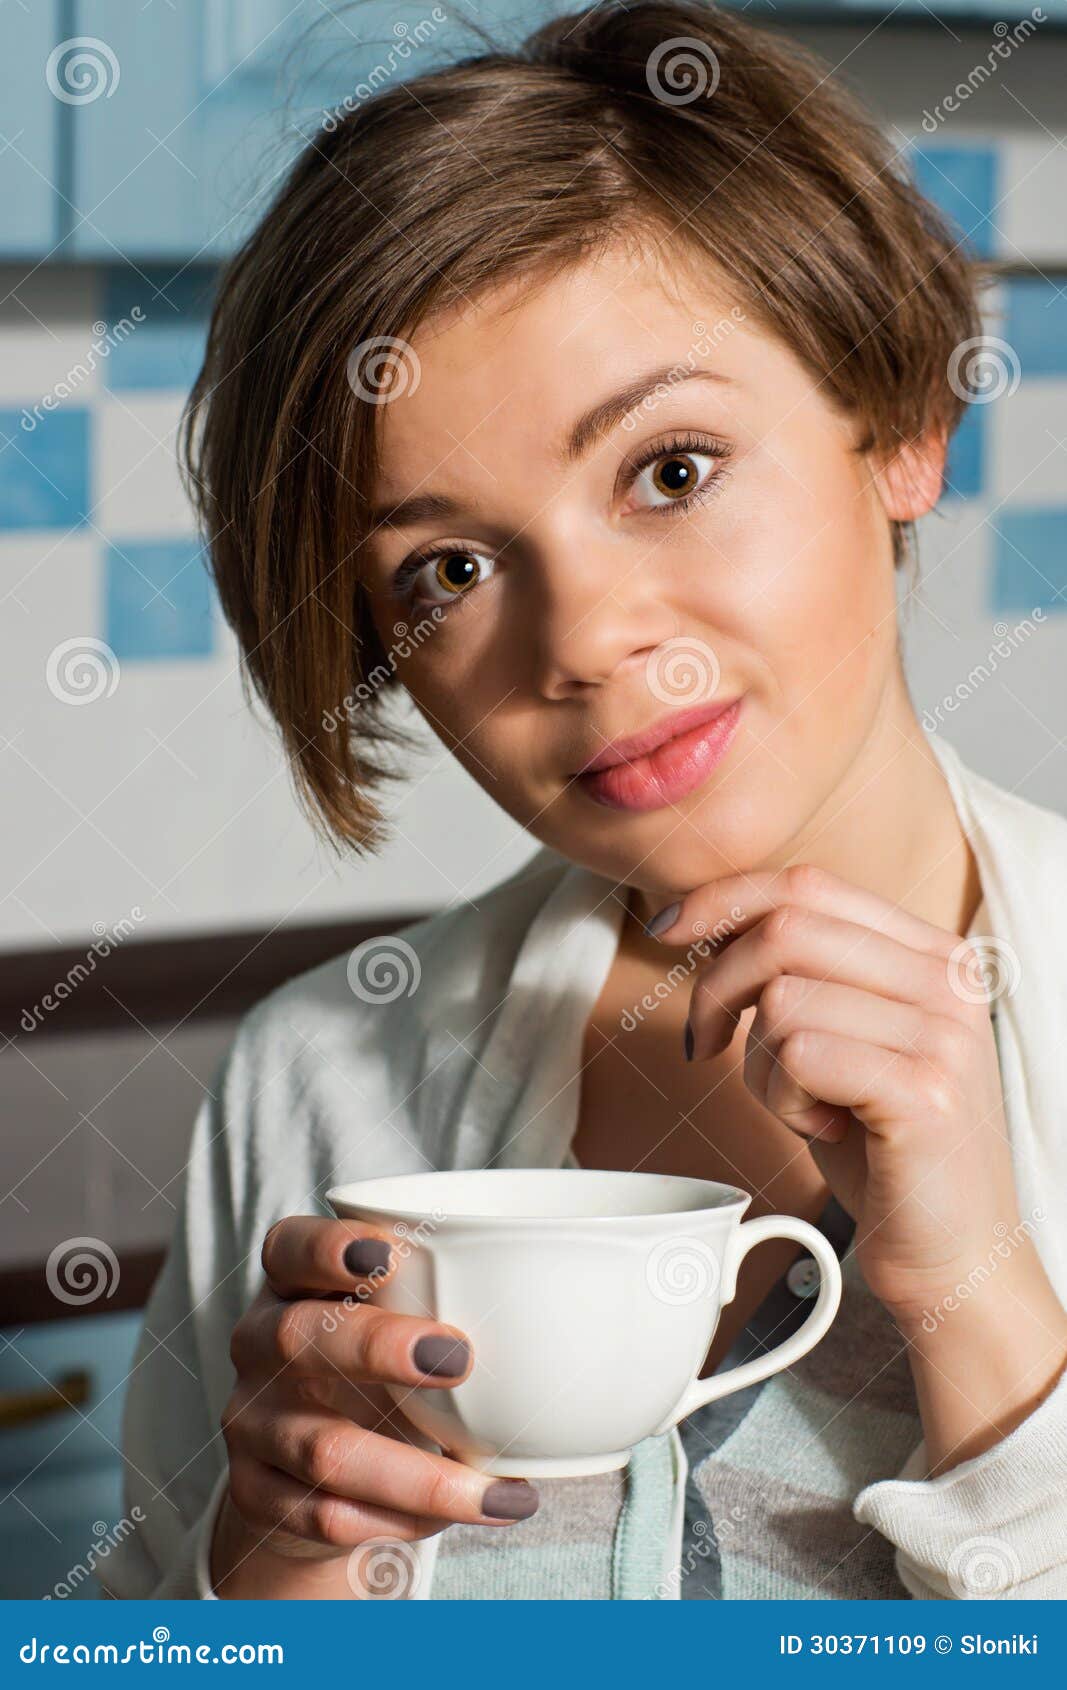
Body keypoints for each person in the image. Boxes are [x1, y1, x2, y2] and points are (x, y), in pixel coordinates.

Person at [100, 0, 1067, 1601]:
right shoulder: (317, 1086)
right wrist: (272, 1577)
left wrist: (973, 1289)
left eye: (671, 470)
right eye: (451, 569)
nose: (586, 640)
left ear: (899, 423)